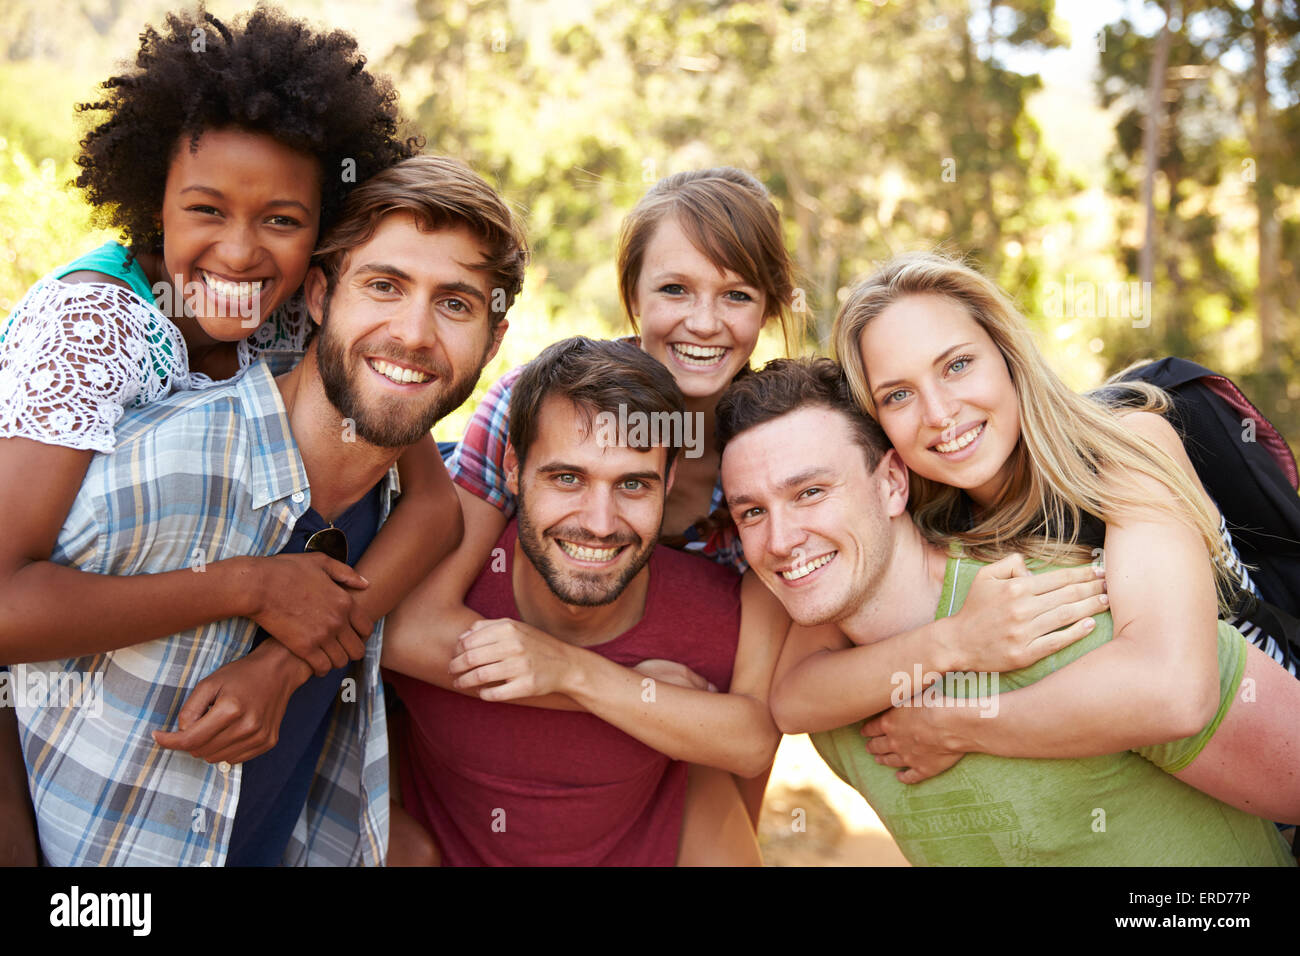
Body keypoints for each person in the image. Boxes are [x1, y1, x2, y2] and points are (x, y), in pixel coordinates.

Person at [0, 7, 455, 862]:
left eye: (282, 221)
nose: (241, 254)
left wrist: (286, 661)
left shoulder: (290, 322)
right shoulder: (92, 328)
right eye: (206, 210)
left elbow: (432, 510)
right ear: (152, 201)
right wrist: (248, 585)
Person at [719, 357, 1297, 864]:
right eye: (751, 513)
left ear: (893, 482)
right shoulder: (837, 708)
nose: (781, 541)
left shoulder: (1073, 613)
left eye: (810, 493)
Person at [812, 250, 1286, 782]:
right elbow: (796, 694)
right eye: (898, 395)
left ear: (1008, 354)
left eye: (957, 365)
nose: (940, 414)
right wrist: (952, 642)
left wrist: (954, 727)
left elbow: (1174, 690)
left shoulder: (1124, 445)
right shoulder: (926, 525)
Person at [383, 336, 780, 865]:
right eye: (567, 478)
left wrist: (568, 670)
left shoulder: (715, 618)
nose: (599, 522)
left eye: (633, 485)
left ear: (670, 482)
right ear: (512, 469)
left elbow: (749, 746)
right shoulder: (445, 589)